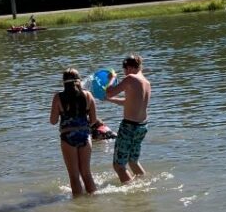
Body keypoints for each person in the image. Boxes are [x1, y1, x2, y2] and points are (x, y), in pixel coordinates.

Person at [51, 68, 100, 197]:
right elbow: (94, 120)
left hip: (67, 137)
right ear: (79, 80)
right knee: (86, 173)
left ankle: (78, 205)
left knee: (74, 175)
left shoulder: (58, 97)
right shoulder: (88, 95)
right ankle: (94, 199)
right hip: (84, 136)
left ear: (64, 82)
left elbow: (53, 121)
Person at [104, 54, 151, 184]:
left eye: (124, 70)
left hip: (129, 126)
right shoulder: (146, 83)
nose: (124, 74)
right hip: (142, 126)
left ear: (129, 68)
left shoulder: (130, 78)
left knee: (119, 166)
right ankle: (144, 183)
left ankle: (132, 192)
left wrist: (112, 79)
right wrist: (111, 100)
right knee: (133, 161)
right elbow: (129, 102)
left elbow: (109, 91)